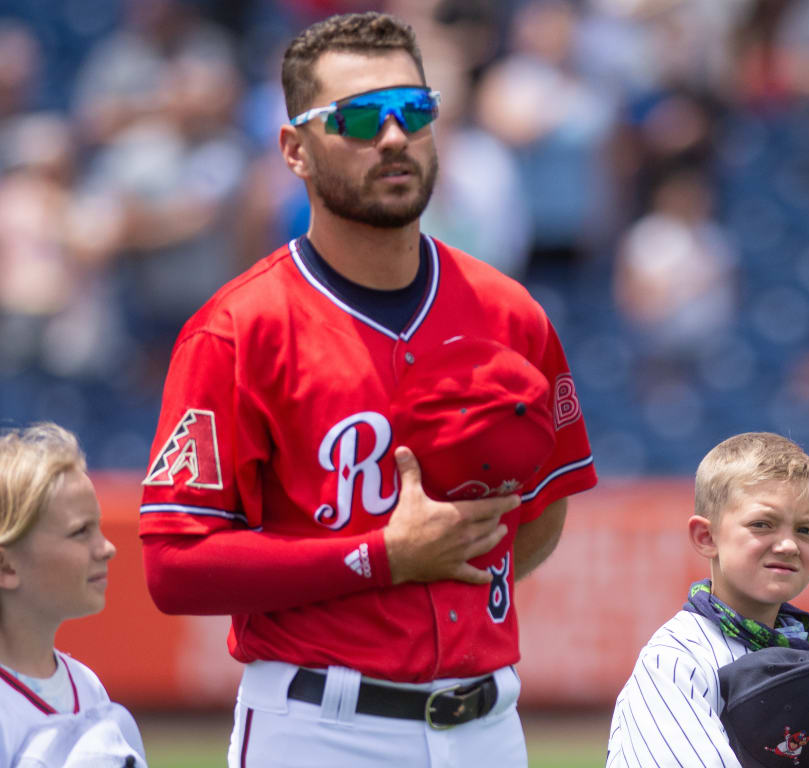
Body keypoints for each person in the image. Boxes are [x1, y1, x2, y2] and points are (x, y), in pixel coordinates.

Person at [137, 12, 597, 768]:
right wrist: (381, 558)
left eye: (414, 111)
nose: (392, 137)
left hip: (489, 725)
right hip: (321, 725)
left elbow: (545, 505)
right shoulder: (238, 330)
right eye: (357, 117)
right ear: (295, 150)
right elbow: (174, 566)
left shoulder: (511, 313)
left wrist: (449, 560)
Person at [607, 432, 809, 767]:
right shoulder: (674, 663)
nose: (788, 545)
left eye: (805, 530)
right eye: (762, 524)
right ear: (706, 537)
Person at [0, 423, 146, 766]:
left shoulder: (88, 686)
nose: (107, 548)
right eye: (80, 532)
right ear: (6, 566)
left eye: (98, 527)